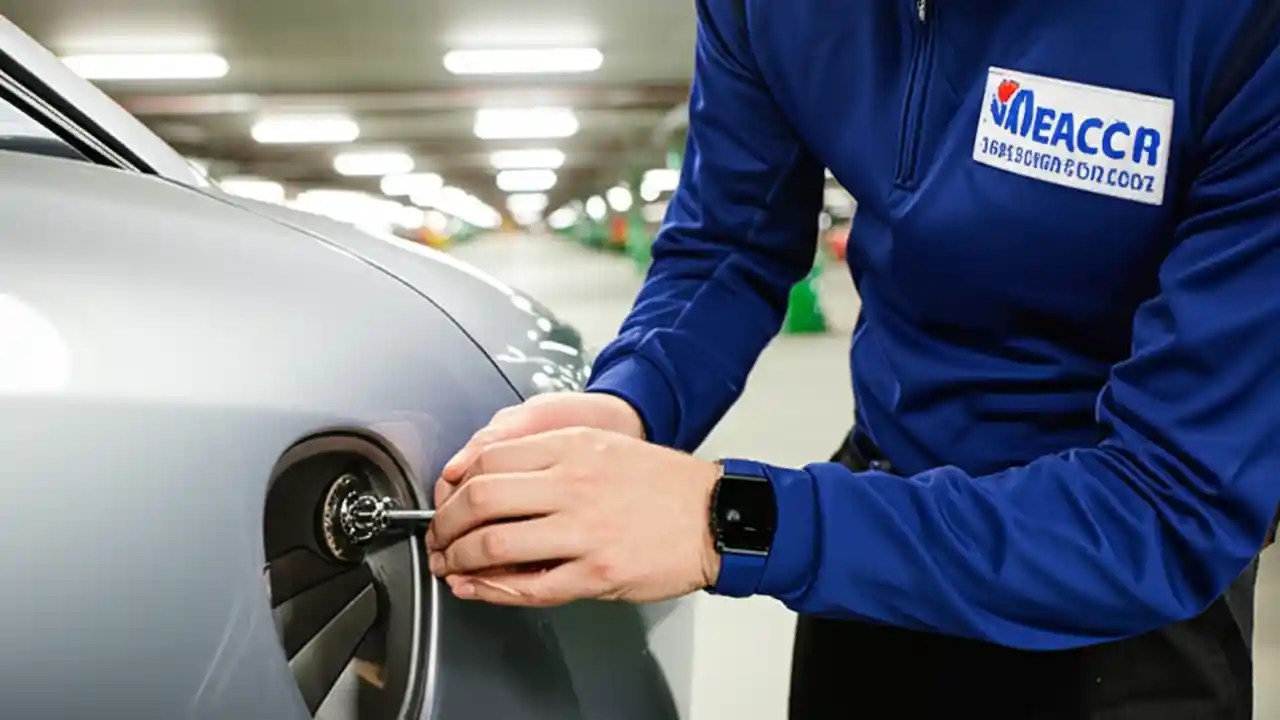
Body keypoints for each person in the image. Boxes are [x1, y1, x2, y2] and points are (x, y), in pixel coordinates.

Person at [426, 1, 1280, 716]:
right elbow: (732, 242)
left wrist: (727, 519)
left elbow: (1172, 505)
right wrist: (629, 402)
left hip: (1113, 590)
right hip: (878, 519)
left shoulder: (1236, 27)